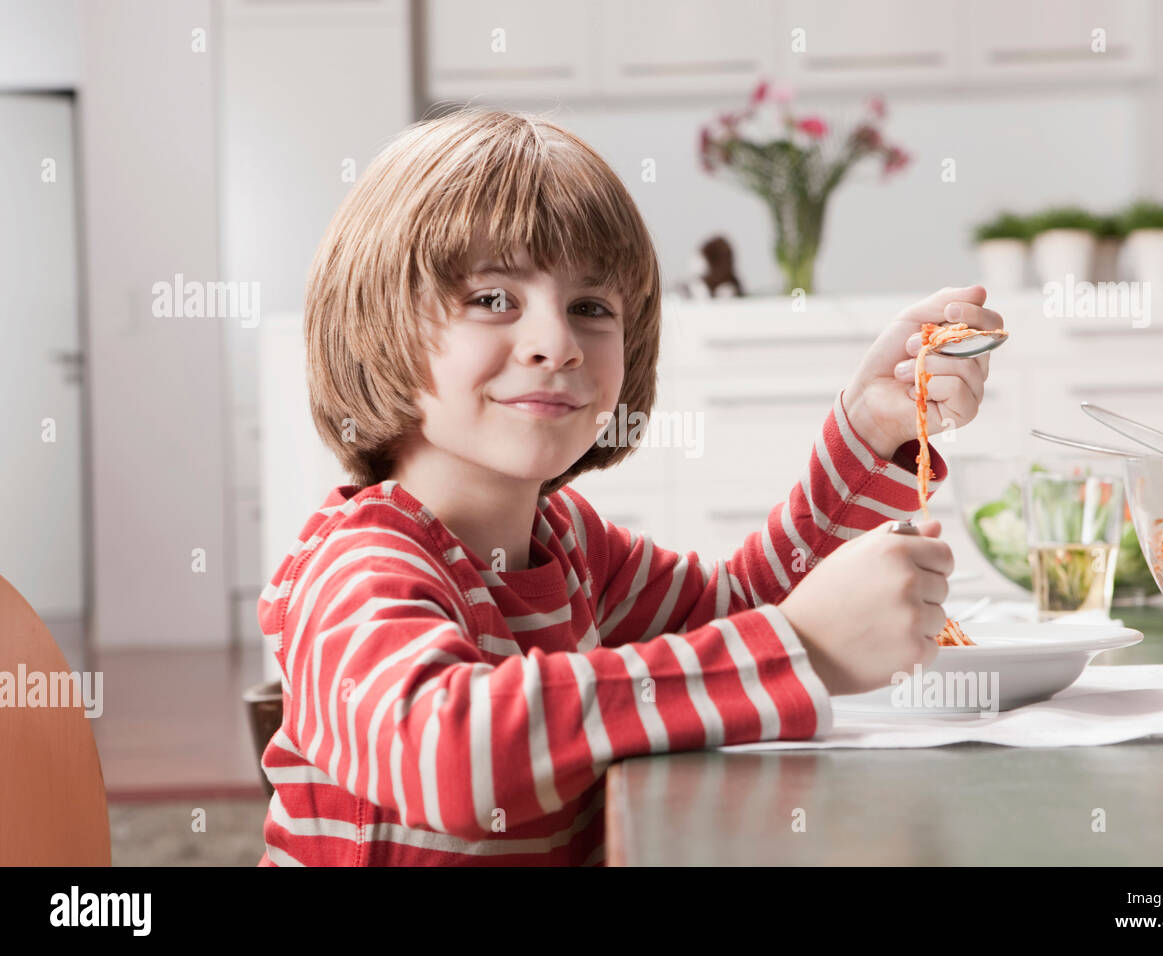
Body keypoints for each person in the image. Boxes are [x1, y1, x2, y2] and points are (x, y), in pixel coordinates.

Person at [257, 107, 1002, 866]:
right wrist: (799, 649)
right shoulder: (357, 566)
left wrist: (872, 429)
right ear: (374, 324)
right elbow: (448, 751)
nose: (557, 344)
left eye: (591, 308)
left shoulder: (571, 545)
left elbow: (740, 611)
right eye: (491, 299)